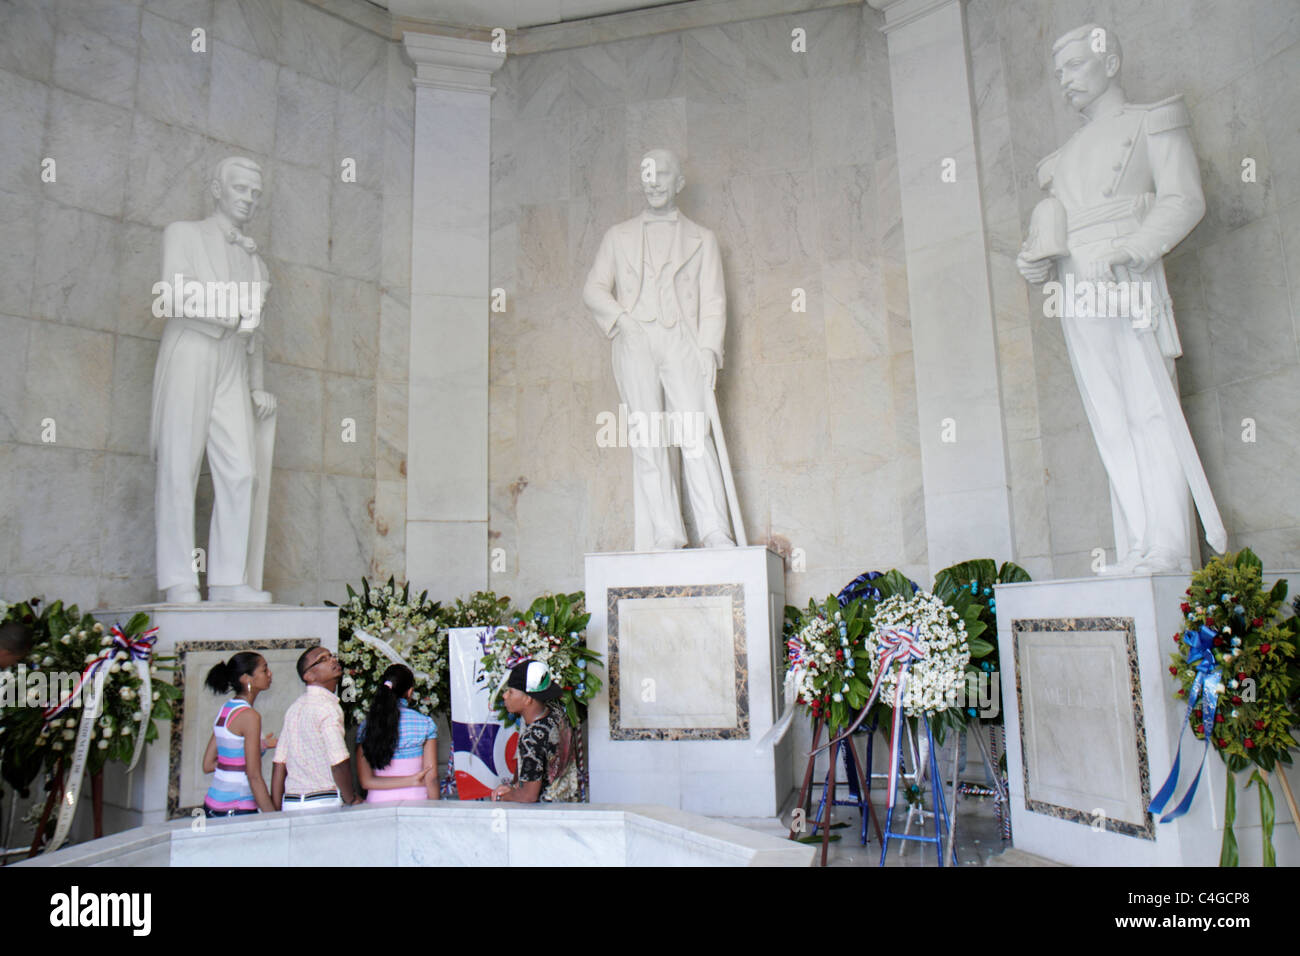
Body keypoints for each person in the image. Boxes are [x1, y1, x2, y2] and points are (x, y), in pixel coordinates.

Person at [1015, 24, 1223, 574]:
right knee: (1109, 415)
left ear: (1109, 64)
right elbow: (1053, 232)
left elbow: (1183, 198)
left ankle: (1171, 547)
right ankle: (1137, 541)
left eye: (1076, 66)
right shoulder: (1059, 160)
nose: (1065, 81)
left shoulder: (1153, 121)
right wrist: (1036, 262)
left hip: (1127, 275)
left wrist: (1134, 248)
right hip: (1077, 285)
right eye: (1059, 73)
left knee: (1151, 408)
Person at [583, 148, 738, 551]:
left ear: (679, 182)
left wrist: (709, 349)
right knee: (647, 436)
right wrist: (622, 321)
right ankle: (666, 530)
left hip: (683, 342)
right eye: (646, 174)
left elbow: (714, 301)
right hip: (636, 340)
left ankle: (714, 530)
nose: (652, 181)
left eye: (661, 174)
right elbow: (593, 289)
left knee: (694, 432)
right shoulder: (617, 237)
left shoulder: (703, 240)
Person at [151, 155, 277, 603]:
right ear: (218, 188)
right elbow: (170, 293)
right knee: (179, 465)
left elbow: (255, 333)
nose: (248, 199)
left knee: (241, 471)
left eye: (255, 193)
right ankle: (179, 579)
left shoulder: (255, 261)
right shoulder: (183, 233)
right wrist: (230, 310)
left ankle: (227, 579)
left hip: (232, 361)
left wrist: (257, 383)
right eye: (241, 189)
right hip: (192, 348)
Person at [271, 647, 358, 810]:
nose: (333, 660)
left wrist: (276, 811)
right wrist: (351, 798)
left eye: (332, 656)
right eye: (323, 659)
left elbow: (279, 763)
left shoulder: (294, 708)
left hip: (291, 803)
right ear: (308, 676)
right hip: (322, 802)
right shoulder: (327, 707)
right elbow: (338, 761)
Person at [200, 652, 277, 816]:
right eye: (264, 670)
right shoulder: (250, 716)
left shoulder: (226, 709)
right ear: (246, 678)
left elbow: (209, 764)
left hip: (212, 806)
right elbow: (254, 776)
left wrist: (261, 746)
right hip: (237, 808)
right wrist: (275, 818)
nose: (270, 674)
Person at [490, 661, 578, 804]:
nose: (505, 696)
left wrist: (502, 796)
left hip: (545, 816)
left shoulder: (532, 738)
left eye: (511, 692)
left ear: (528, 699)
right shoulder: (557, 713)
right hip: (568, 804)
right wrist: (513, 788)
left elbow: (528, 797)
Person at [355, 663, 439, 803]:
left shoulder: (367, 726)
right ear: (410, 692)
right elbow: (431, 777)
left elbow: (365, 781)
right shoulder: (425, 723)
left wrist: (408, 781)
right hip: (417, 800)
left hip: (377, 803)